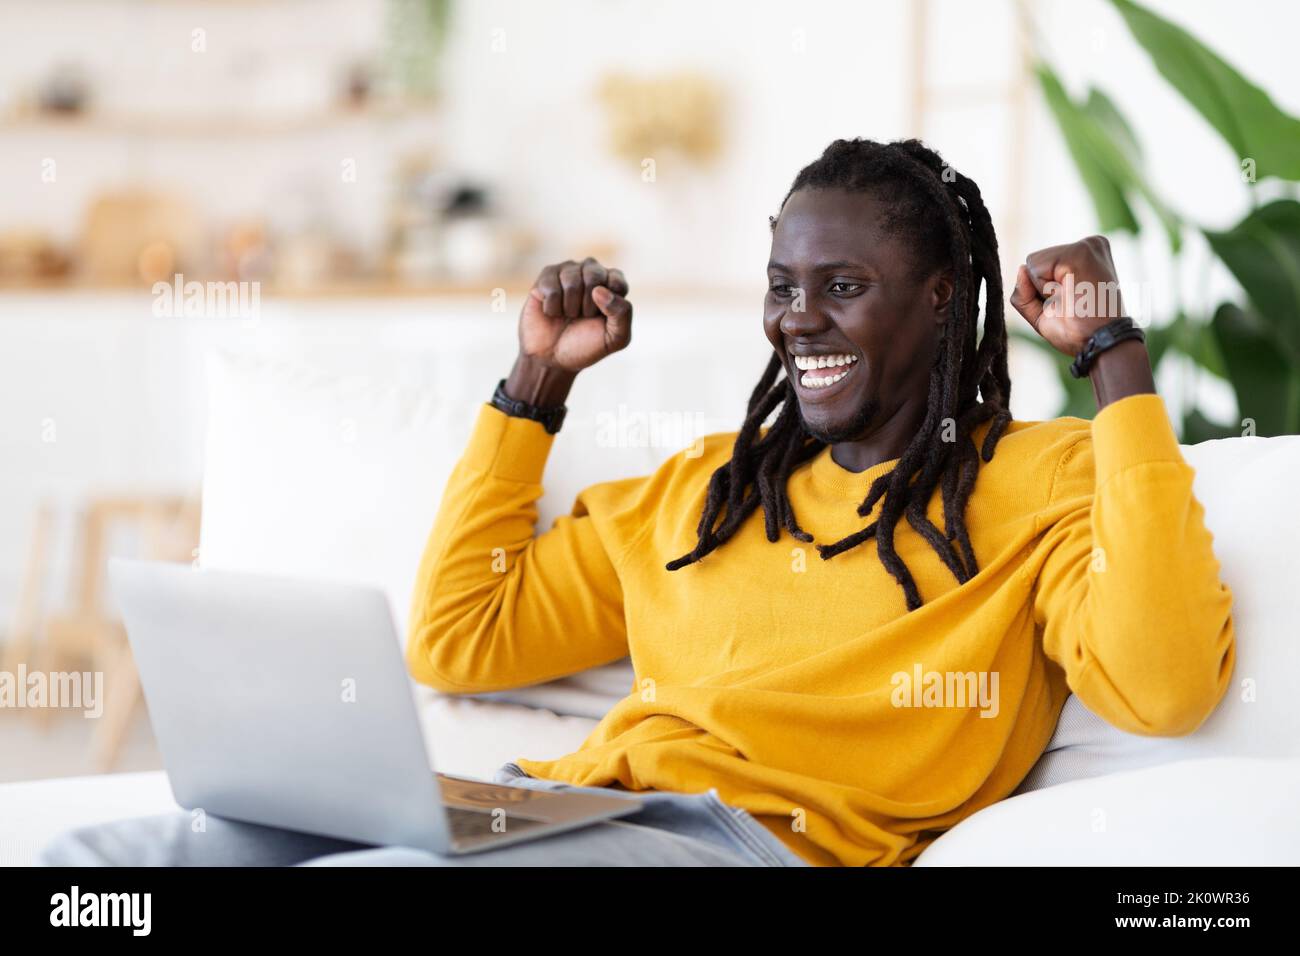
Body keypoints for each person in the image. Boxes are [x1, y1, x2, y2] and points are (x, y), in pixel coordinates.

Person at [40, 137, 1235, 868]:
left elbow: (1166, 678)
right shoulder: (705, 488)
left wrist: (1114, 357)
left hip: (743, 846)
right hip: (566, 811)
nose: (799, 318)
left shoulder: (1040, 483)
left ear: (939, 302)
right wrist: (537, 378)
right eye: (782, 287)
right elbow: (460, 635)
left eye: (845, 286)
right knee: (108, 860)